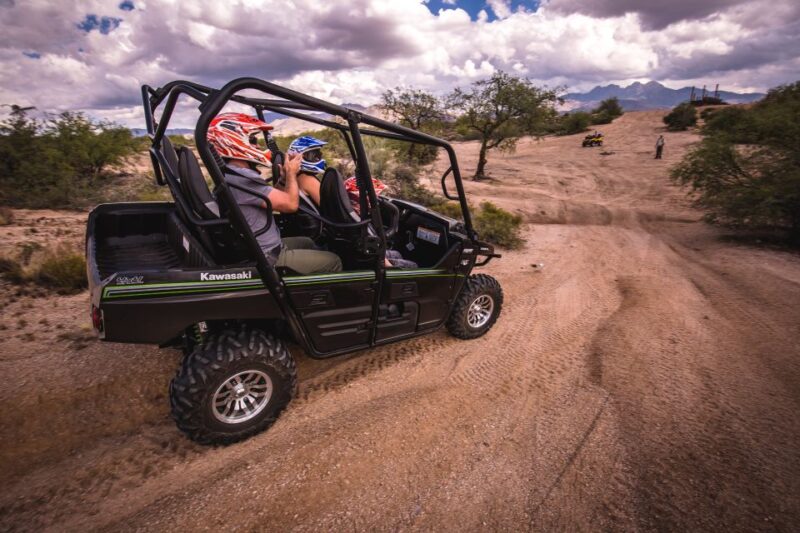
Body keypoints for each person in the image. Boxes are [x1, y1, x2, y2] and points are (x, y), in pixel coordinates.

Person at [207, 113, 342, 274]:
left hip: (265, 246)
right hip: (268, 256)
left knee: (308, 242)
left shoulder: (234, 175)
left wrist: (284, 179)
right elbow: (290, 205)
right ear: (232, 141)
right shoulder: (242, 178)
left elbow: (270, 199)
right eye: (252, 140)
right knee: (334, 261)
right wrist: (291, 174)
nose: (257, 146)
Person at [287, 135, 417, 269]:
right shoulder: (307, 180)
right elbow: (333, 207)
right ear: (299, 157)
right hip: (328, 236)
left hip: (321, 232)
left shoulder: (294, 179)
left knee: (395, 254)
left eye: (318, 154)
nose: (318, 157)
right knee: (410, 264)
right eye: (313, 155)